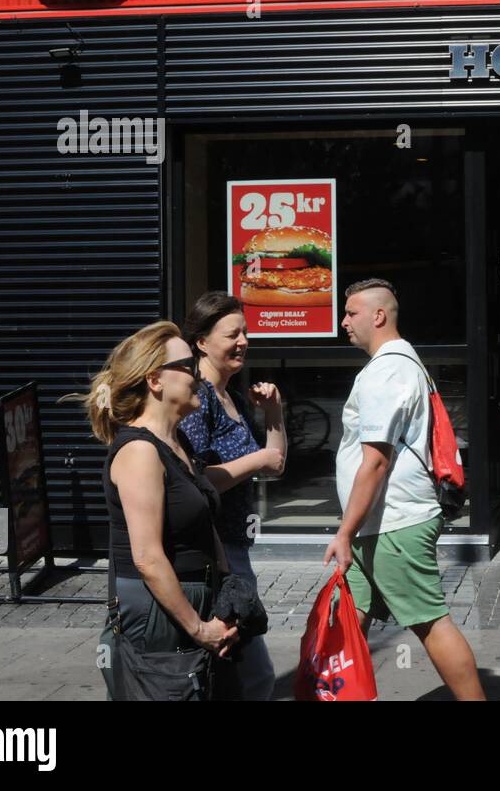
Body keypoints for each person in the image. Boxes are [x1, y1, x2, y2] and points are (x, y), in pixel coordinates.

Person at [323, 278, 485, 701]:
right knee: (350, 617)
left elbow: (376, 461)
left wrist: (343, 531)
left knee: (429, 621)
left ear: (378, 316)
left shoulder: (388, 369)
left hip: (394, 522)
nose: (344, 322)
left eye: (351, 313)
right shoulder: (399, 363)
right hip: (377, 523)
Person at [77, 321, 238, 698]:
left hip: (195, 599)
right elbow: (148, 557)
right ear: (155, 381)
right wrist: (198, 629)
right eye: (188, 367)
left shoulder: (177, 441)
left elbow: (202, 518)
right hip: (160, 612)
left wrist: (228, 586)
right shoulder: (139, 452)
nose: (198, 376)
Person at [180, 290, 286, 701]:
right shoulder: (198, 397)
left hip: (235, 547)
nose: (243, 341)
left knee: (237, 672)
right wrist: (257, 458)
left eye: (245, 332)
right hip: (214, 550)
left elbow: (275, 463)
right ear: (202, 342)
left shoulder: (234, 398)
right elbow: (193, 480)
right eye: (232, 334)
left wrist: (274, 411)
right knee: (254, 674)